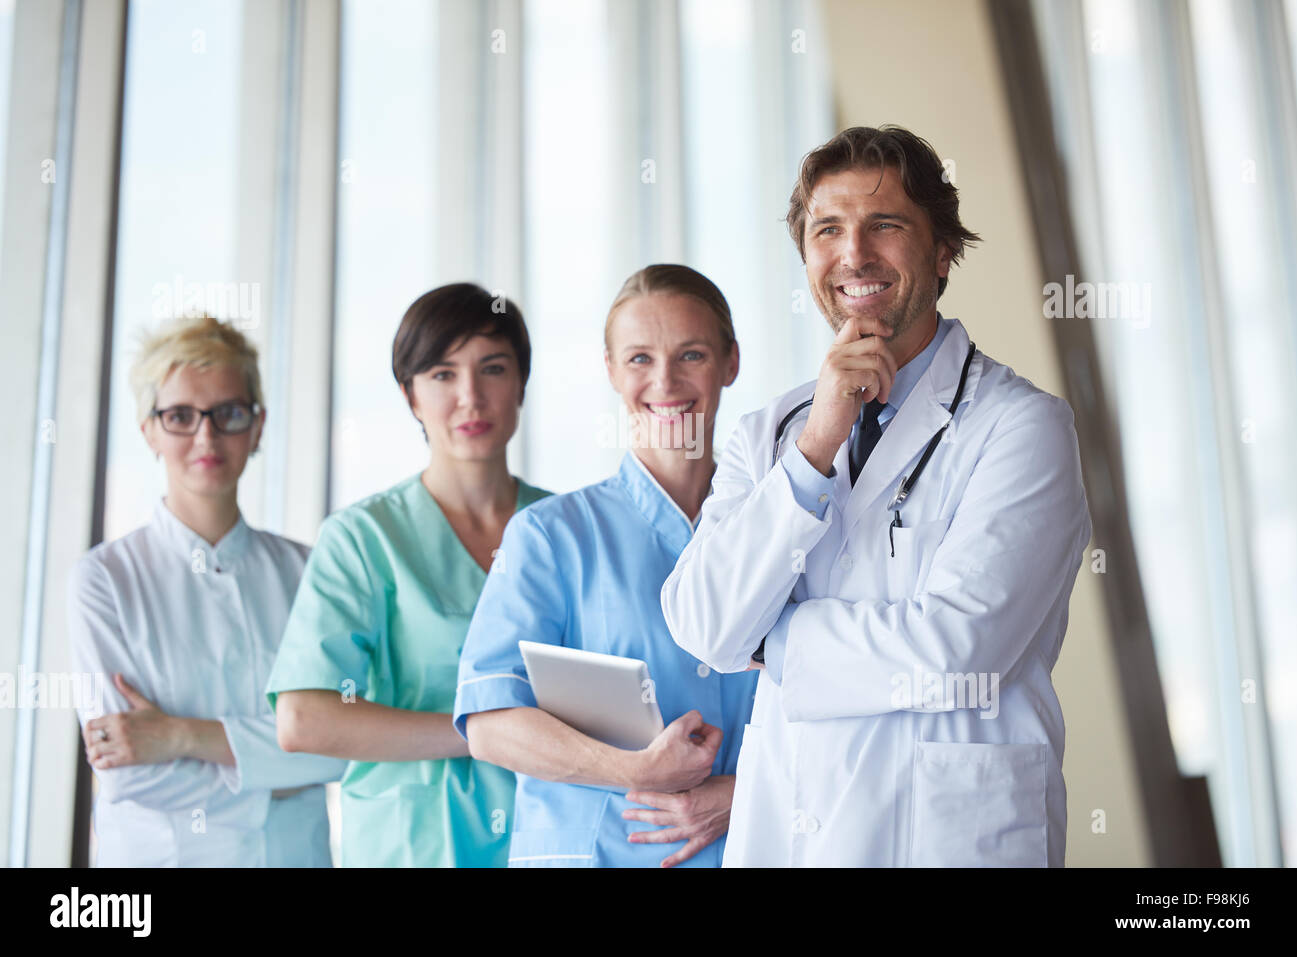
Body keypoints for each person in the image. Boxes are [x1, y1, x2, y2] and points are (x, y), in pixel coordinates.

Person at [661, 126, 1093, 867]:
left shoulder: (1022, 427)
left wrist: (773, 637)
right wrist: (817, 443)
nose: (853, 253)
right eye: (828, 229)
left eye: (885, 225)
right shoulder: (771, 435)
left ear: (943, 251)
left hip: (947, 836)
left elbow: (956, 650)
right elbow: (703, 623)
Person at [453, 264, 759, 868]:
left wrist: (746, 792)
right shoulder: (550, 536)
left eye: (691, 354)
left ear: (730, 362)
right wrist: (635, 771)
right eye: (640, 358)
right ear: (612, 370)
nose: (665, 381)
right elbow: (489, 723)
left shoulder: (779, 529)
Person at [267, 283, 550, 867]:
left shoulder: (567, 530)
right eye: (443, 375)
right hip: (413, 846)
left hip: (549, 830)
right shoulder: (364, 539)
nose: (470, 397)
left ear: (521, 383)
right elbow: (303, 718)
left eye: (492, 368)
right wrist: (484, 734)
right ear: (411, 396)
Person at [66, 315, 346, 867]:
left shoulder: (310, 571)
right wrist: (277, 768)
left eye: (229, 413)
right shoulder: (103, 579)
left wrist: (179, 737)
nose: (206, 436)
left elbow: (339, 751)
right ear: (149, 430)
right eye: (180, 416)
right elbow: (126, 771)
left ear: (258, 425)